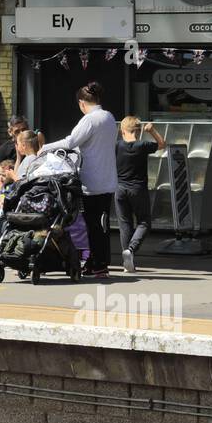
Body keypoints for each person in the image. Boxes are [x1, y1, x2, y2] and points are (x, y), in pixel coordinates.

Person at [43, 82, 117, 278]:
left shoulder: (89, 120)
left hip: (91, 182)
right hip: (107, 180)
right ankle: (97, 263)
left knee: (92, 226)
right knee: (100, 225)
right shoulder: (109, 117)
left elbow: (71, 142)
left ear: (82, 103)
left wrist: (45, 147)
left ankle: (98, 264)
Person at [114, 116, 166, 274]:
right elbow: (162, 144)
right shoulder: (143, 145)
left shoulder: (116, 146)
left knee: (124, 225)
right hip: (138, 189)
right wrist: (152, 131)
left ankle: (127, 262)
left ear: (122, 131)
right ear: (138, 131)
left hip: (119, 189)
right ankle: (130, 250)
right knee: (144, 222)